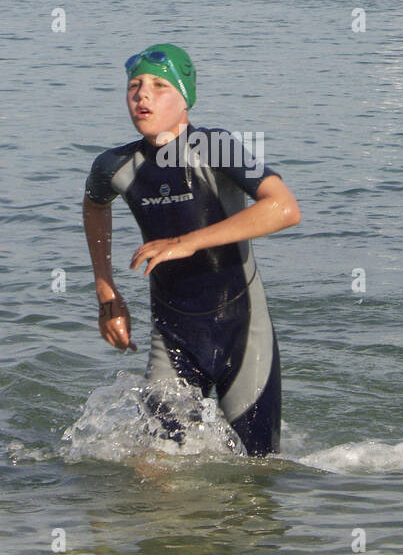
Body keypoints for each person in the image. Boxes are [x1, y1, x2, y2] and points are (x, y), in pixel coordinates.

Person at [82, 44, 301, 456]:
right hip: (173, 336)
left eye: (159, 86)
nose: (142, 95)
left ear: (186, 99)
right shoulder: (114, 166)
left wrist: (187, 242)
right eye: (134, 86)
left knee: (258, 474)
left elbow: (284, 208)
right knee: (155, 468)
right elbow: (94, 205)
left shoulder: (216, 146)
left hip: (243, 332)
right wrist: (106, 292)